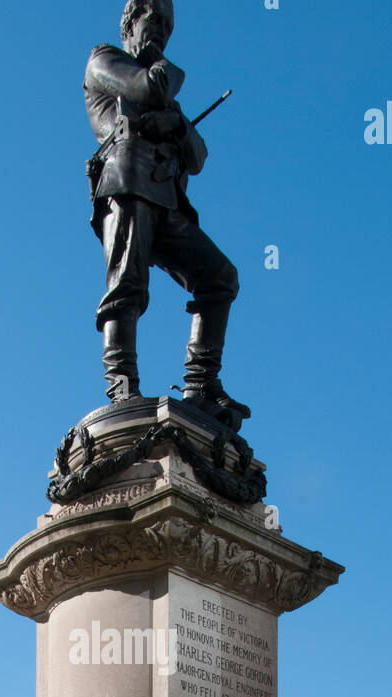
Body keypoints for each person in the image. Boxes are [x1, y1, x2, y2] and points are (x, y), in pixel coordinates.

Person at [84, 0, 249, 430]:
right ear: (130, 24)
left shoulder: (166, 96)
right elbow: (152, 87)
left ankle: (201, 385)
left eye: (167, 27)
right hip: (127, 182)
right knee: (127, 285)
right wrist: (161, 76)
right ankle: (122, 385)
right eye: (152, 21)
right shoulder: (105, 60)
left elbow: (198, 155)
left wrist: (175, 127)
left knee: (219, 277)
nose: (160, 32)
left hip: (167, 197)